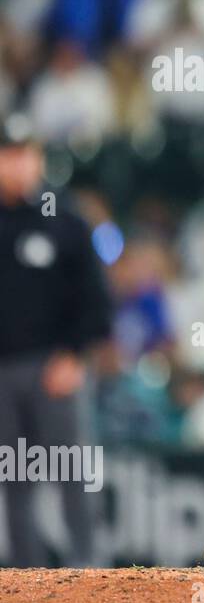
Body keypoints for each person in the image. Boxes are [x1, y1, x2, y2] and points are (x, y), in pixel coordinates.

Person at [0, 114, 112, 566]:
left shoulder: (65, 218)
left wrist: (75, 355)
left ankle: (91, 574)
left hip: (56, 369)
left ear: (39, 159)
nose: (17, 165)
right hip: (3, 373)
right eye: (8, 155)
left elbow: (96, 299)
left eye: (25, 154)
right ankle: (26, 583)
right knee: (14, 483)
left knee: (74, 476)